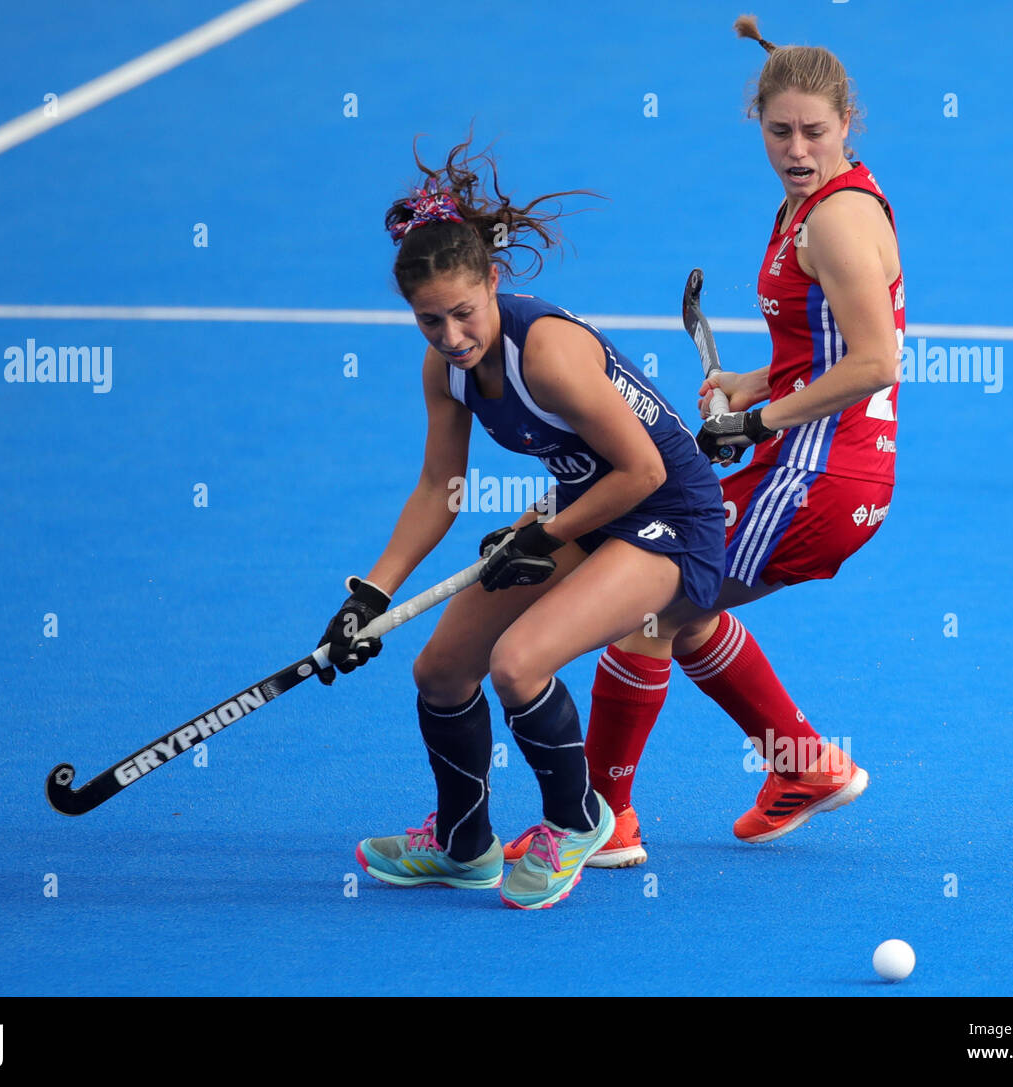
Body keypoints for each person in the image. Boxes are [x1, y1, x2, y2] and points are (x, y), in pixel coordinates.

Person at [516, 13, 905, 867]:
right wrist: (754, 383)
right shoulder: (816, 202)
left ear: (849, 123)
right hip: (817, 465)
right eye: (779, 131)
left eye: (815, 131)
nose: (797, 148)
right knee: (684, 608)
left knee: (648, 603)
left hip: (813, 477)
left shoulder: (834, 221)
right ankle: (802, 765)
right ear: (758, 122)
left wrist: (757, 421)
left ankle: (602, 820)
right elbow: (825, 349)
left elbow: (877, 359)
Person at [317, 139, 730, 909]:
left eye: (463, 313)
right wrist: (370, 595)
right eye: (428, 320)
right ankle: (463, 842)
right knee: (439, 671)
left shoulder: (547, 355)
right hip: (582, 506)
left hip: (670, 517)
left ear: (494, 283)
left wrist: (542, 536)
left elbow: (645, 473)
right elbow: (440, 489)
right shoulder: (443, 370)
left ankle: (575, 823)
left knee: (517, 663)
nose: (451, 336)